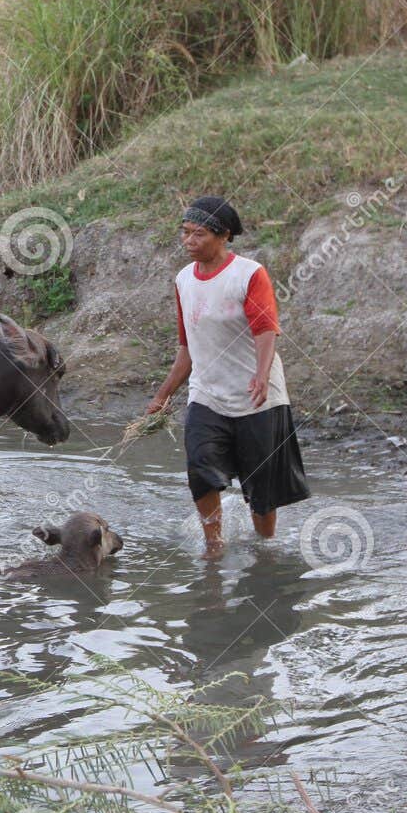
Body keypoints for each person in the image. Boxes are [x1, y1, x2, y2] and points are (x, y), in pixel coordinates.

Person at [147, 195, 310, 558]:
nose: (188, 241)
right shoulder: (183, 279)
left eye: (199, 234)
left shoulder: (249, 274)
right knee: (200, 467)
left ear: (223, 236)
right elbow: (187, 345)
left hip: (257, 397)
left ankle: (265, 547)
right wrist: (163, 394)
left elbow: (265, 330)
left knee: (262, 489)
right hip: (207, 395)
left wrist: (261, 375)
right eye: (185, 233)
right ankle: (213, 543)